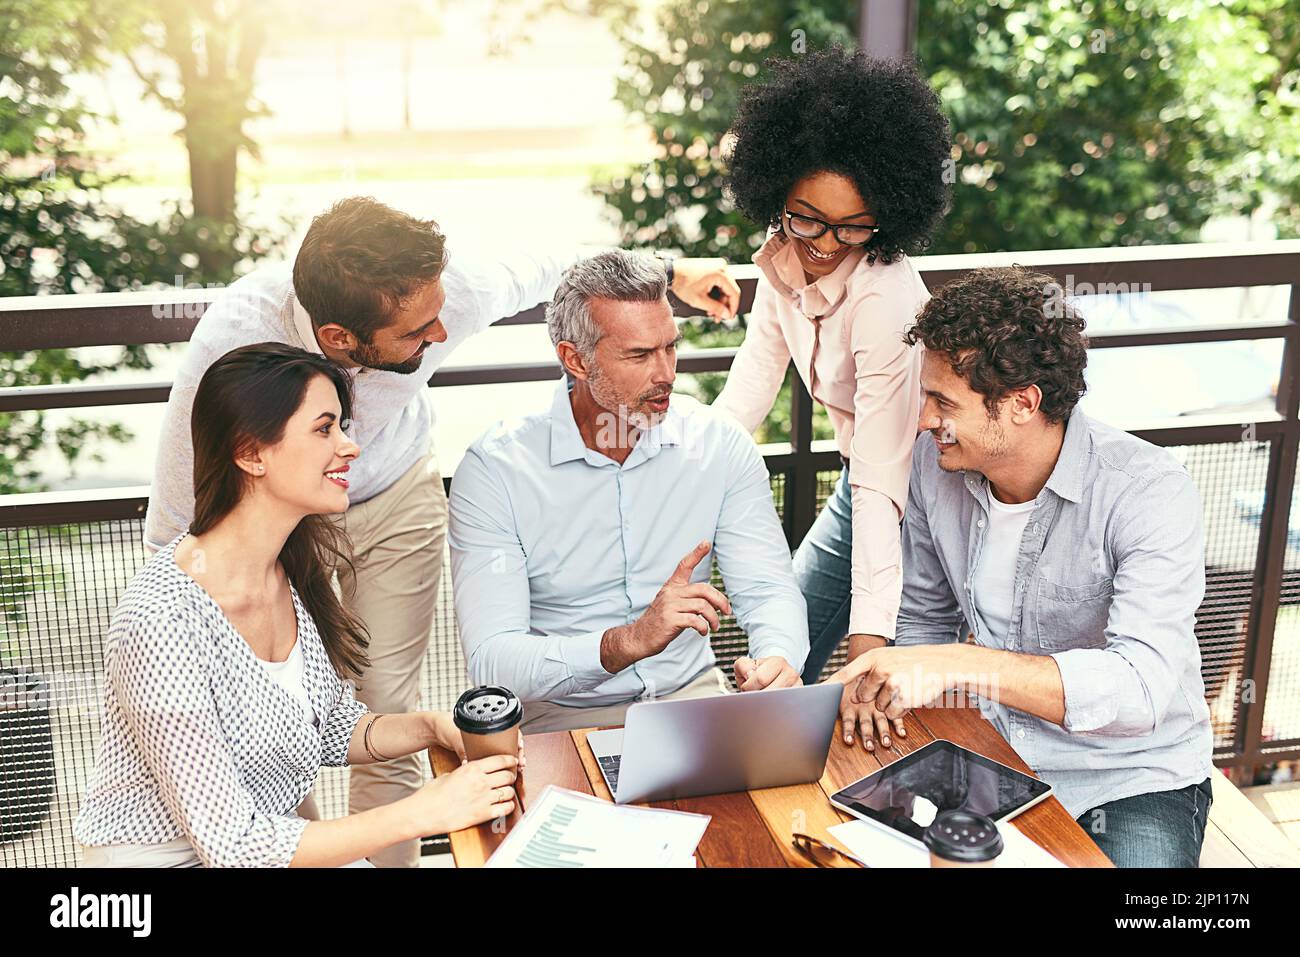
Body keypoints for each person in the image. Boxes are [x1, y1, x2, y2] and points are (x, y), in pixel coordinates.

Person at [142, 196, 737, 865]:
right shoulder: (235, 351)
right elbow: (177, 513)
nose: (441, 335)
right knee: (262, 729)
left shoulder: (442, 297)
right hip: (281, 519)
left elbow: (551, 268)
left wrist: (672, 268)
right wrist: (192, 610)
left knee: (385, 703)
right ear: (340, 337)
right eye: (418, 332)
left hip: (394, 495)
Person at [75, 344, 521, 867]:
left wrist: (431, 727)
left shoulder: (283, 569)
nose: (350, 447)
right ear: (251, 453)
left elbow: (329, 726)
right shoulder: (161, 623)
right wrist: (424, 811)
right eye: (324, 428)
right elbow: (234, 847)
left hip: (264, 842)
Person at [829, 266, 1216, 867]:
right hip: (989, 753)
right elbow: (925, 622)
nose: (924, 419)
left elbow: (1143, 688)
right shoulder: (937, 473)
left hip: (1132, 774)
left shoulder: (1149, 491)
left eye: (942, 401)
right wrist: (888, 702)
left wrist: (963, 662)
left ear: (1021, 403)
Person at [449, 250, 809, 733]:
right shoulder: (495, 469)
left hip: (690, 698)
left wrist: (777, 659)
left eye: (669, 347)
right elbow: (494, 661)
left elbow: (767, 590)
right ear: (574, 359)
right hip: (559, 716)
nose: (665, 374)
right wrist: (627, 641)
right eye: (639, 355)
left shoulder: (720, 445)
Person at [711, 48, 951, 733]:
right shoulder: (783, 255)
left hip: (924, 488)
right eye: (806, 217)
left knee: (886, 697)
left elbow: (884, 477)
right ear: (778, 196)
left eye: (852, 226)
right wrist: (691, 481)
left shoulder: (884, 295)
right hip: (861, 481)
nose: (824, 242)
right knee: (783, 645)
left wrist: (868, 638)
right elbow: (752, 383)